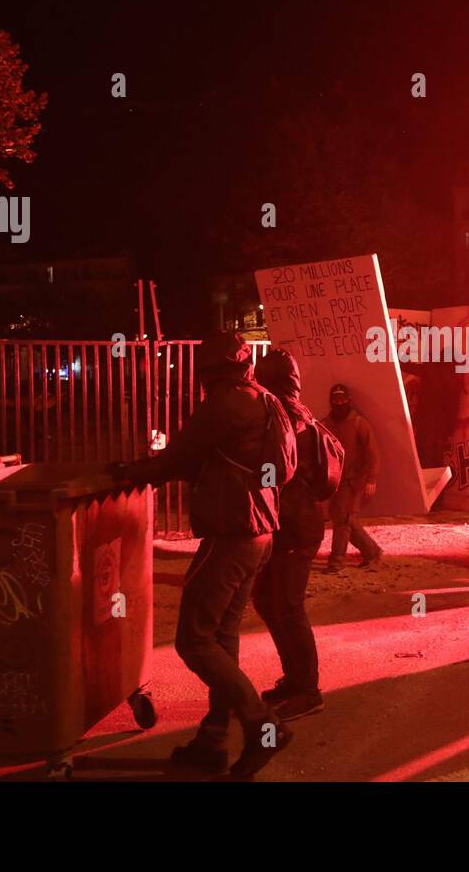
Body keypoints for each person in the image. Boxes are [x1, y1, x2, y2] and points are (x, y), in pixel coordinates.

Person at [110, 331, 294, 779]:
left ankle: (260, 726)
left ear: (210, 371)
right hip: (259, 532)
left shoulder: (226, 403)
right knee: (222, 638)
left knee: (194, 642)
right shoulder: (263, 399)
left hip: (232, 534)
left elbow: (176, 459)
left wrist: (126, 474)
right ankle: (213, 739)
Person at [252, 349, 328, 720]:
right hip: (291, 524)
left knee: (288, 605)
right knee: (268, 600)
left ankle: (308, 689)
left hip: (296, 526)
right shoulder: (299, 413)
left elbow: (275, 472)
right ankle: (295, 679)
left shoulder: (285, 418)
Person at [323, 383, 383, 573]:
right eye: (335, 399)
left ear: (348, 400)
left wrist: (371, 479)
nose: (339, 403)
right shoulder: (326, 424)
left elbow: (372, 454)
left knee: (342, 519)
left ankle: (336, 562)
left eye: (342, 399)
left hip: (352, 480)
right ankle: (371, 551)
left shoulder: (359, 424)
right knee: (344, 518)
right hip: (334, 480)